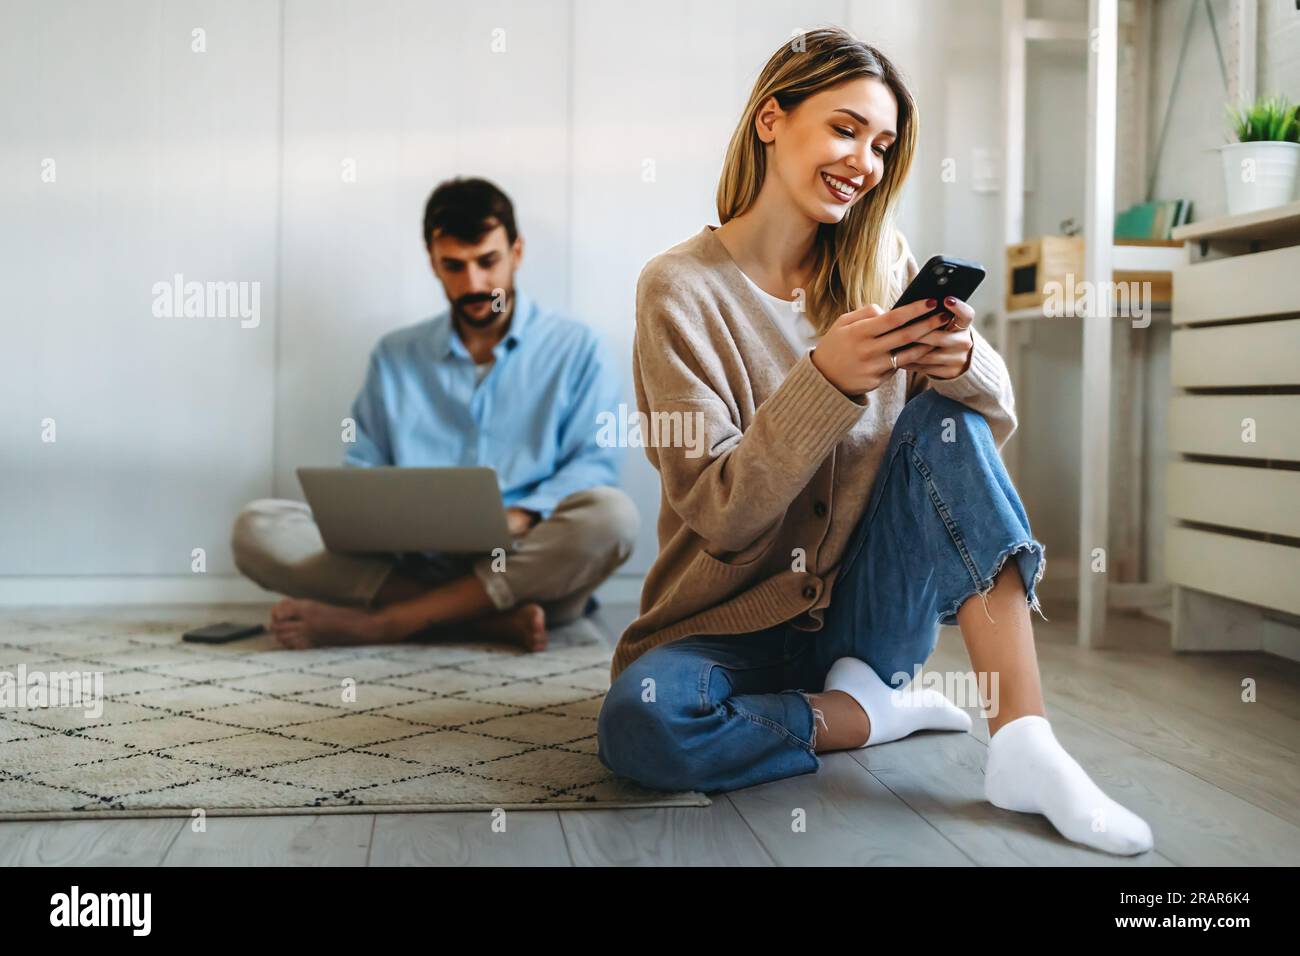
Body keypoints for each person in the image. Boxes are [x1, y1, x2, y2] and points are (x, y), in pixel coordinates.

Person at [595, 28, 1153, 856]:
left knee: (950, 418)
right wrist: (823, 380)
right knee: (643, 727)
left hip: (864, 620)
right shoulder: (678, 289)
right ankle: (862, 713)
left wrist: (964, 358)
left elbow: (978, 439)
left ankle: (1024, 743)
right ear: (771, 120)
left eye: (884, 145)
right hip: (723, 626)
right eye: (846, 128)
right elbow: (721, 516)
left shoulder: (882, 265)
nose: (867, 161)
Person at [232, 177, 639, 653]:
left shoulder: (577, 349)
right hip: (411, 559)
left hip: (521, 558)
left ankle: (387, 622)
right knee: (257, 529)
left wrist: (520, 516)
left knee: (614, 517)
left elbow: (594, 465)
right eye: (454, 266)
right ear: (432, 261)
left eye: (487, 262)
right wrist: (376, 520)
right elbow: (363, 466)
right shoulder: (395, 355)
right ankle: (485, 621)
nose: (474, 284)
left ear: (517, 252)